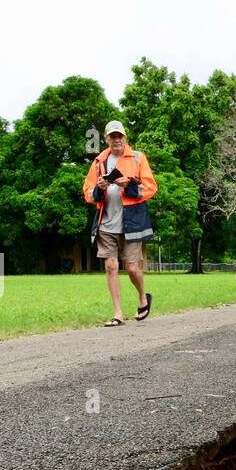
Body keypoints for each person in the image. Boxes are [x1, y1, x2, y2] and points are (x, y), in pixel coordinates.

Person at [83, 120, 159, 326]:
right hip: (106, 222)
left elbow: (151, 187)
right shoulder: (98, 162)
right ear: (106, 139)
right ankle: (118, 314)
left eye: (120, 136)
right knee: (110, 266)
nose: (116, 139)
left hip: (131, 222)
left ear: (125, 137)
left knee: (133, 267)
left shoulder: (137, 157)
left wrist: (128, 186)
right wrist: (99, 188)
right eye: (112, 136)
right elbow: (88, 193)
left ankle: (143, 297)